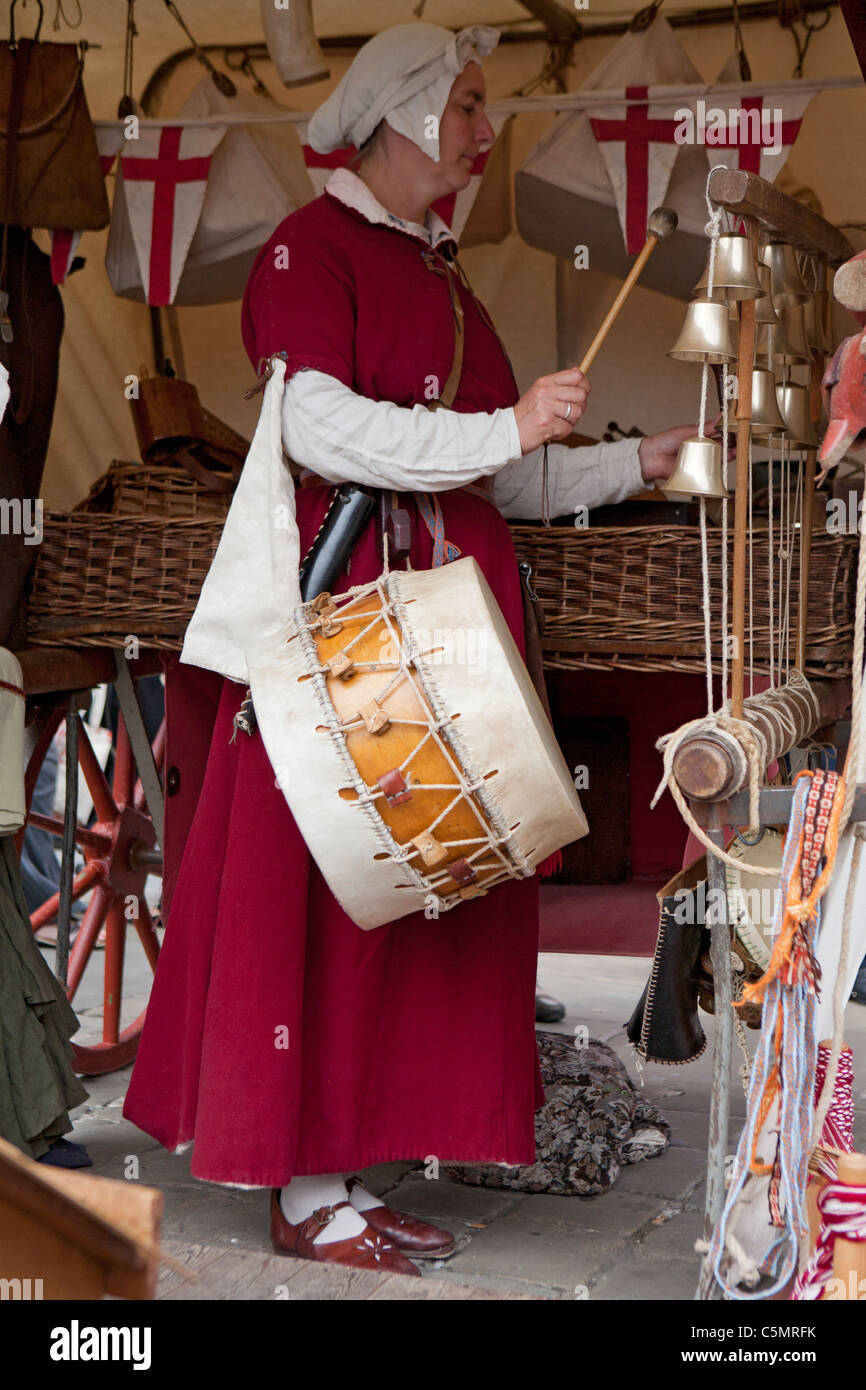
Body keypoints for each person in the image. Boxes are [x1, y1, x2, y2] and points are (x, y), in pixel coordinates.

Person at [124, 22, 696, 1274]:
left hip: (447, 651)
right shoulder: (304, 249)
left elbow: (507, 476)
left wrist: (626, 460)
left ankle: (355, 1155)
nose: (488, 133)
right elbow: (317, 424)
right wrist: (498, 428)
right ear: (399, 114)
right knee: (337, 899)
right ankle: (301, 1185)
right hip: (347, 644)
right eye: (472, 107)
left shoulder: (442, 273)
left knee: (419, 906)